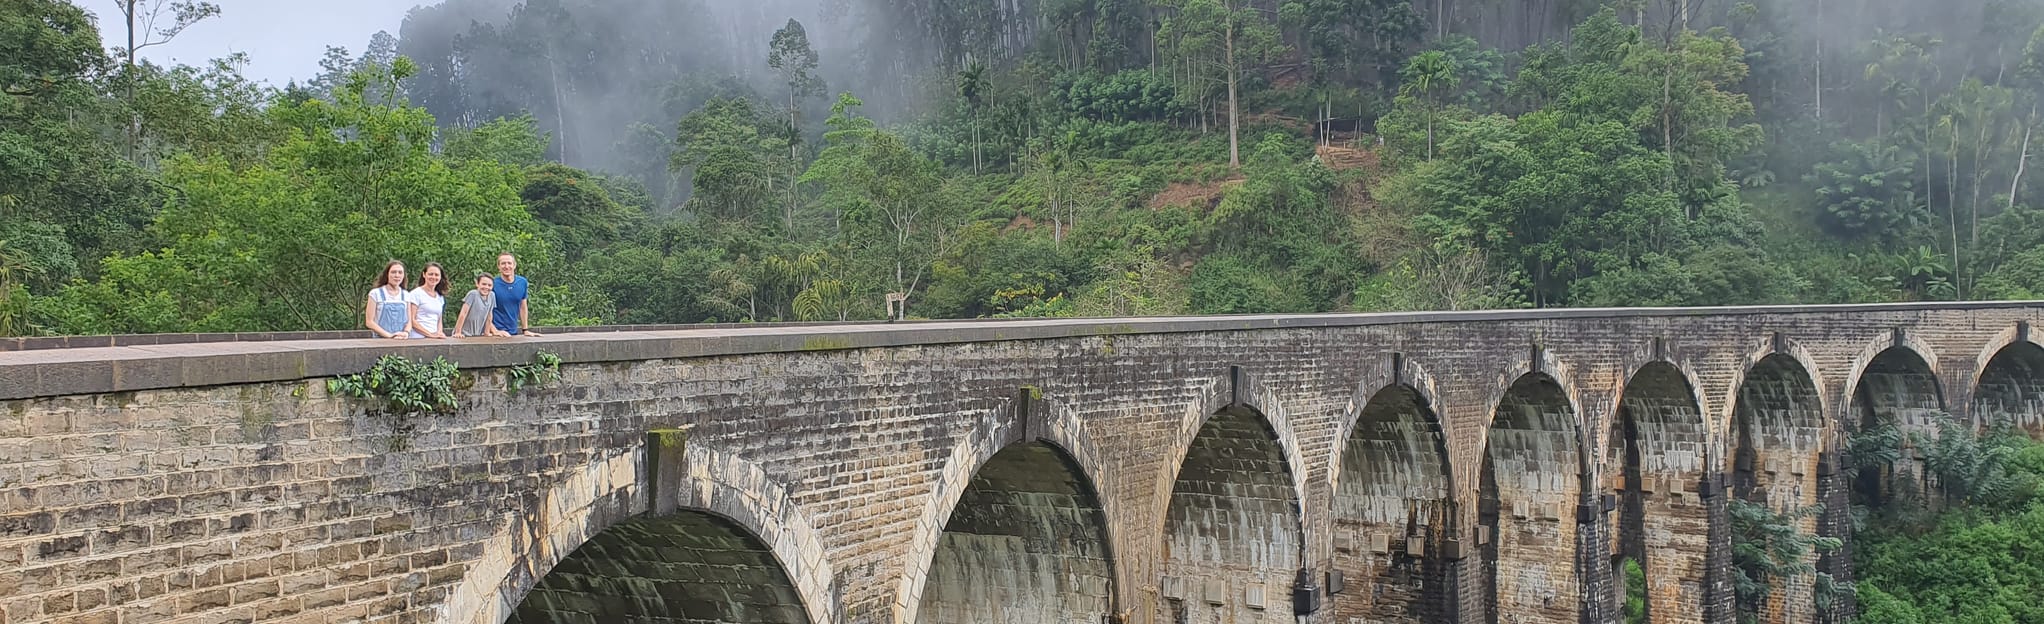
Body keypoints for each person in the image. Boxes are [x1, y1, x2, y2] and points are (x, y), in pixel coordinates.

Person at [490, 252, 542, 336]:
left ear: (514, 265)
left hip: (513, 332)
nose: (506, 266)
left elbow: (523, 307)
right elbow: (484, 311)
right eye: (503, 263)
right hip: (494, 333)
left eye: (509, 263)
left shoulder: (522, 282)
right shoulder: (492, 284)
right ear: (498, 266)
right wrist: (495, 331)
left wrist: (525, 330)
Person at [364, 260, 412, 340]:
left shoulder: (406, 295)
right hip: (380, 340)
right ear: (387, 274)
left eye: (400, 272)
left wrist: (406, 333)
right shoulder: (375, 293)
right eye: (393, 272)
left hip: (401, 340)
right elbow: (369, 322)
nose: (397, 275)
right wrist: (389, 335)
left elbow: (409, 321)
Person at [453, 272, 506, 338]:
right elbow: (463, 313)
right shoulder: (473, 294)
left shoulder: (492, 295)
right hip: (464, 334)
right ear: (477, 284)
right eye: (484, 284)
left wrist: (487, 332)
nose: (486, 287)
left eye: (489, 285)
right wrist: (458, 332)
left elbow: (489, 315)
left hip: (478, 334)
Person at [407, 262, 449, 339]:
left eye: (436, 275)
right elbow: (412, 320)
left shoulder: (440, 297)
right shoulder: (415, 294)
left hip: (434, 338)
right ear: (424, 274)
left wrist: (439, 333)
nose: (433, 277)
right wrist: (430, 334)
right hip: (417, 337)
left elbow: (439, 319)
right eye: (430, 274)